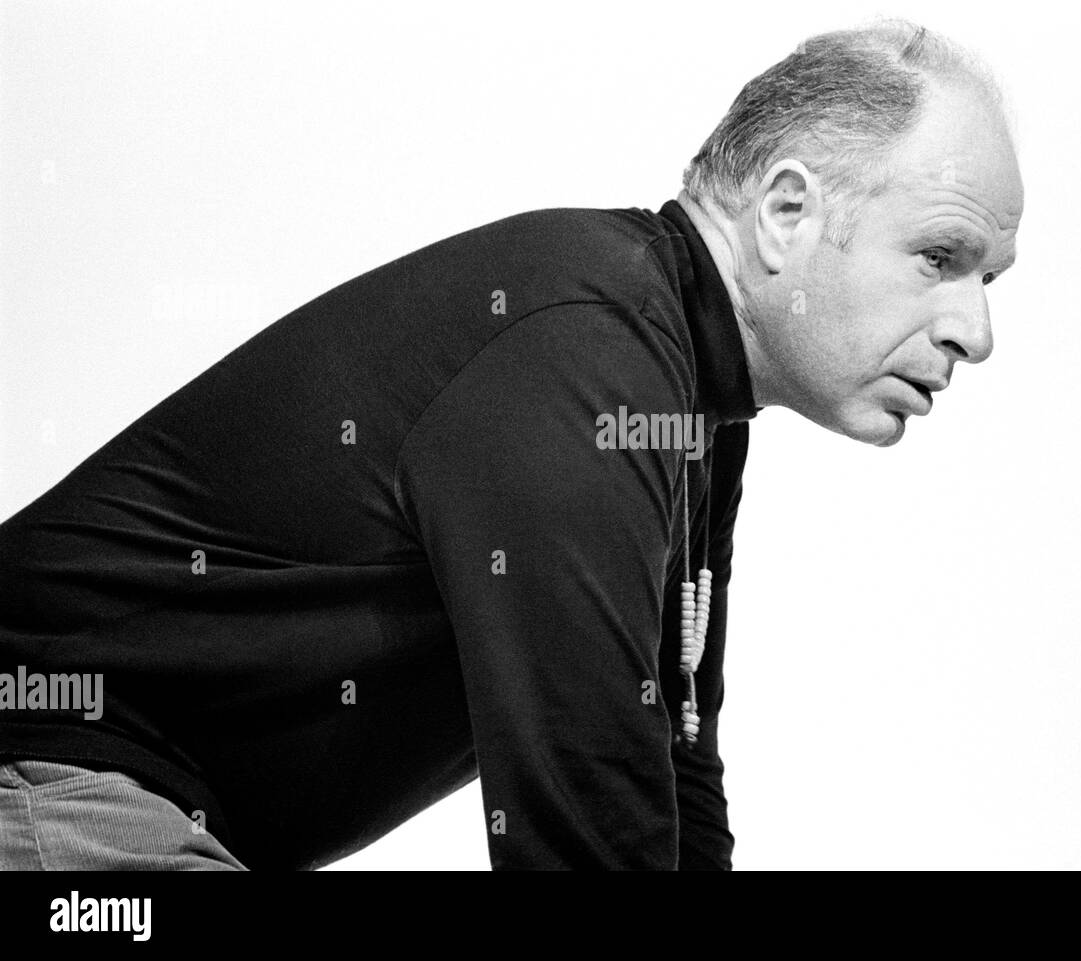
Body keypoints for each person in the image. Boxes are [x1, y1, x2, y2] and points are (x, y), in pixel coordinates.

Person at [0, 19, 1022, 870]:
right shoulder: (590, 349)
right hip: (57, 783)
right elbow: (585, 828)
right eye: (940, 257)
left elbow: (671, 775)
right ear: (785, 212)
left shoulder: (683, 401)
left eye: (988, 281)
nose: (972, 331)